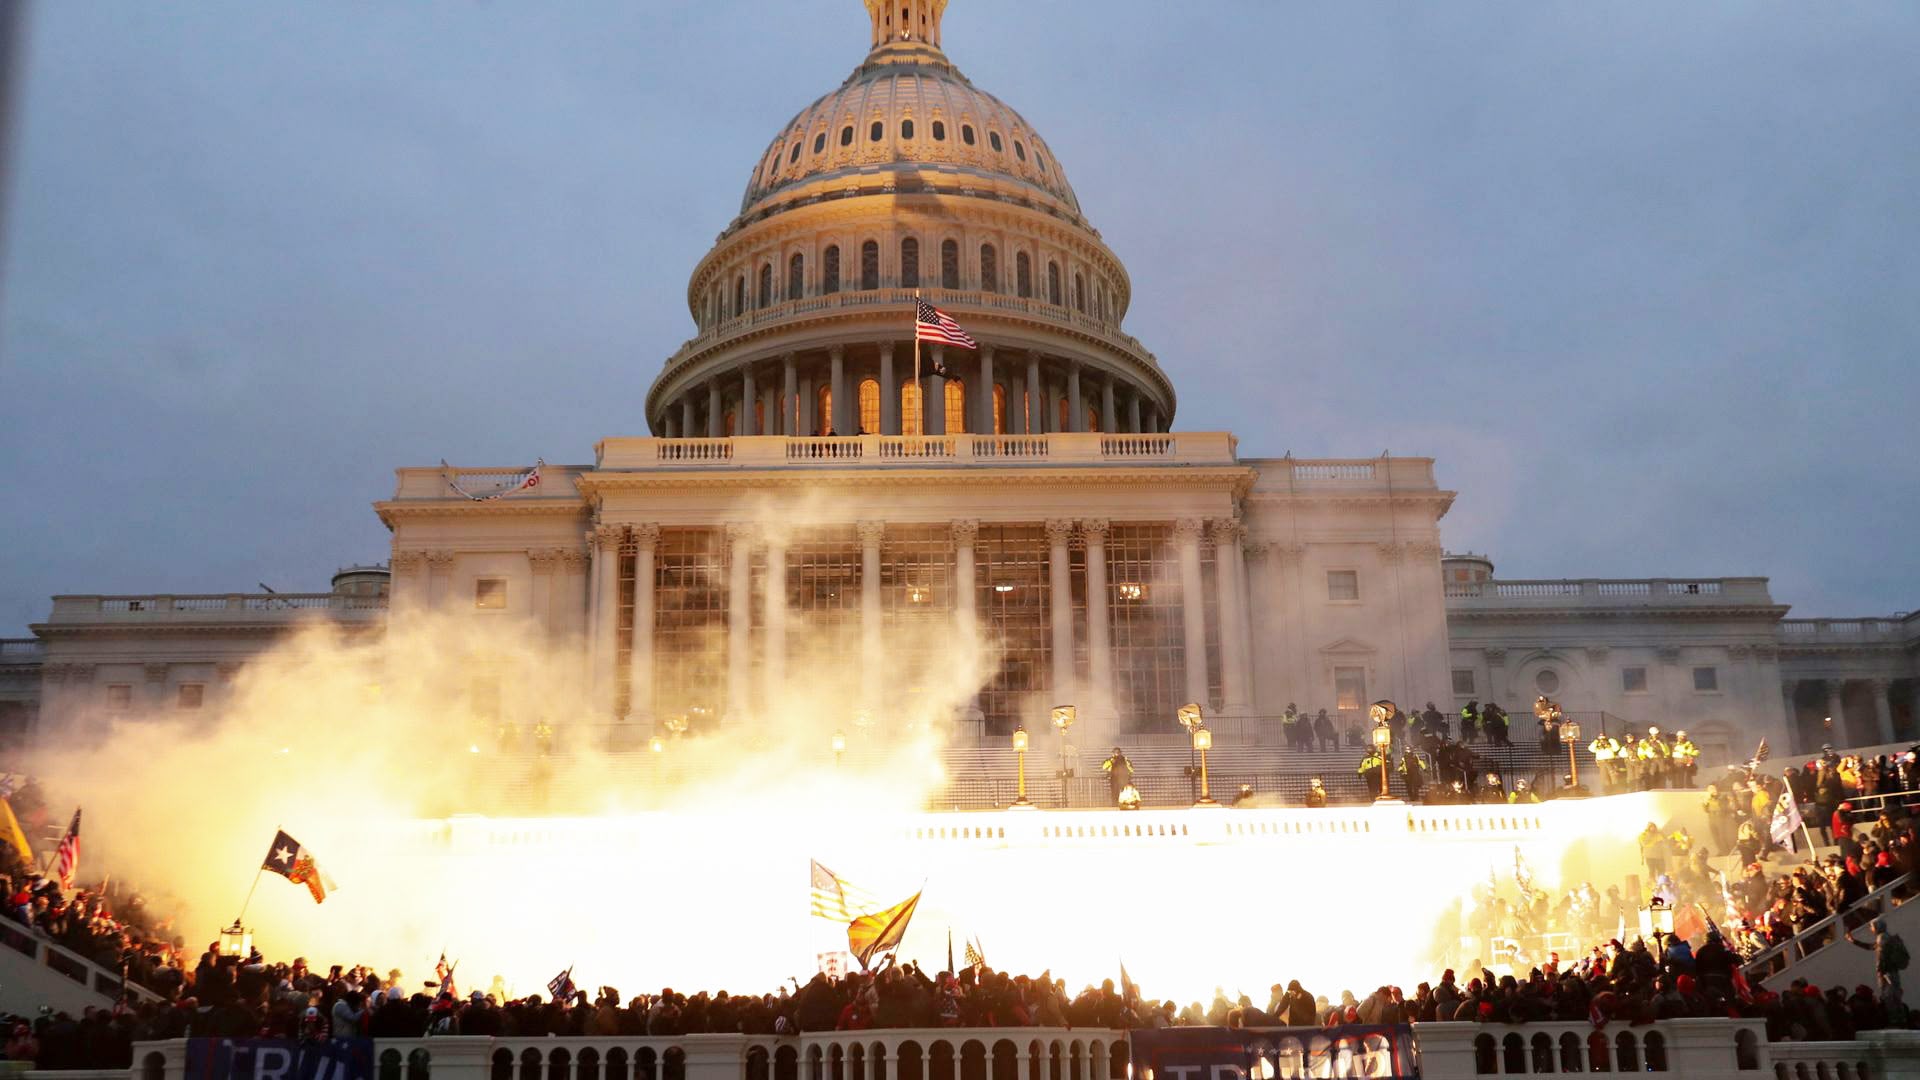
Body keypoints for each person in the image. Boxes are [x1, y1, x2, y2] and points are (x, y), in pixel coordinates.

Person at [1846, 917, 1910, 1024]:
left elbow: (1881, 956)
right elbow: (1872, 947)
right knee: (1895, 997)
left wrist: (1879, 970)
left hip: (1886, 974)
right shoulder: (1885, 936)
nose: (1870, 929)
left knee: (1889, 998)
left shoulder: (1881, 938)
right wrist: (1853, 941)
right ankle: (1901, 1020)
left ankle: (1895, 1021)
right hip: (1892, 972)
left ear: (1877, 927)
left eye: (1871, 926)